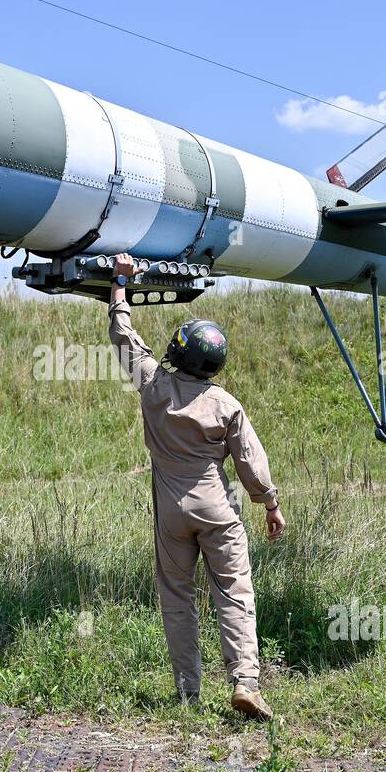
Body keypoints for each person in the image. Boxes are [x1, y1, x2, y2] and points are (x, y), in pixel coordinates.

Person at [106, 253, 284, 720]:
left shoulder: (152, 385)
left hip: (171, 514)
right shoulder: (226, 403)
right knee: (234, 591)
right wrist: (269, 504)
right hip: (218, 510)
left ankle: (188, 692)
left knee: (177, 598)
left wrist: (121, 286)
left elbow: (124, 337)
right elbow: (250, 461)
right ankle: (245, 681)